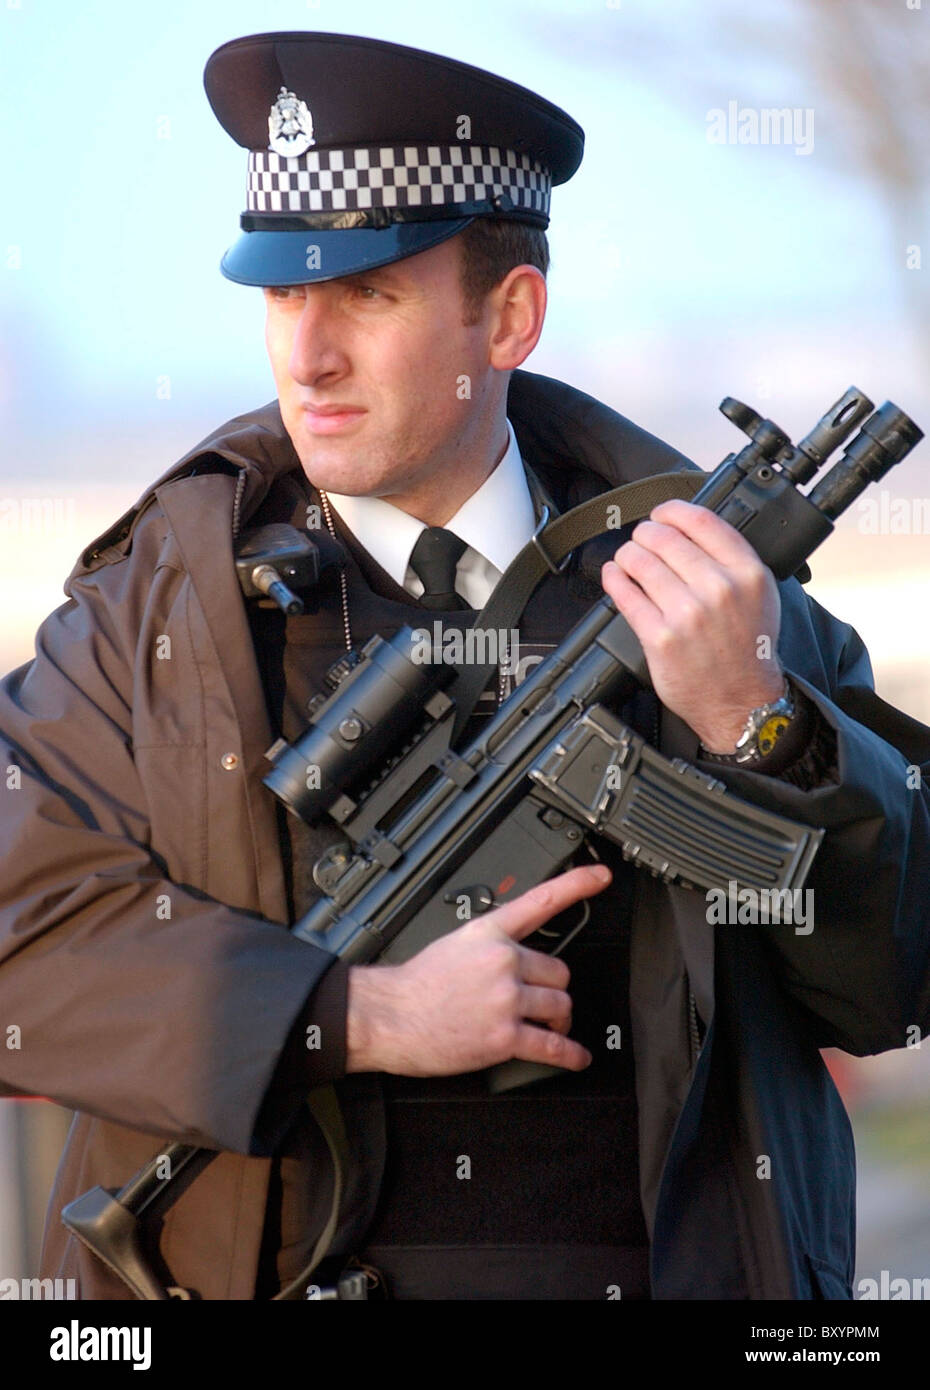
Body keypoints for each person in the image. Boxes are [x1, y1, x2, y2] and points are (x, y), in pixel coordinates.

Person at [1, 30, 929, 1302]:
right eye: (283, 296)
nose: (306, 357)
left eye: (367, 294)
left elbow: (895, 983)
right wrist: (353, 1014)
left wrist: (758, 726)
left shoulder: (712, 590)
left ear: (508, 316)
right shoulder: (151, 621)